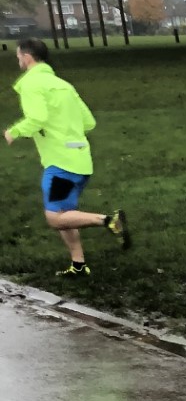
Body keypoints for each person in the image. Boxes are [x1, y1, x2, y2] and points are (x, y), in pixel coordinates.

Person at [4, 40, 129, 277]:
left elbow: (37, 117)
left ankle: (109, 221)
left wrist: (14, 132)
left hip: (61, 165)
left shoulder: (31, 83)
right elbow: (89, 122)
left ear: (28, 57)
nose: (18, 60)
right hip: (81, 162)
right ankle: (78, 265)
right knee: (65, 214)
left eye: (18, 56)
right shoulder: (63, 85)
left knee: (54, 218)